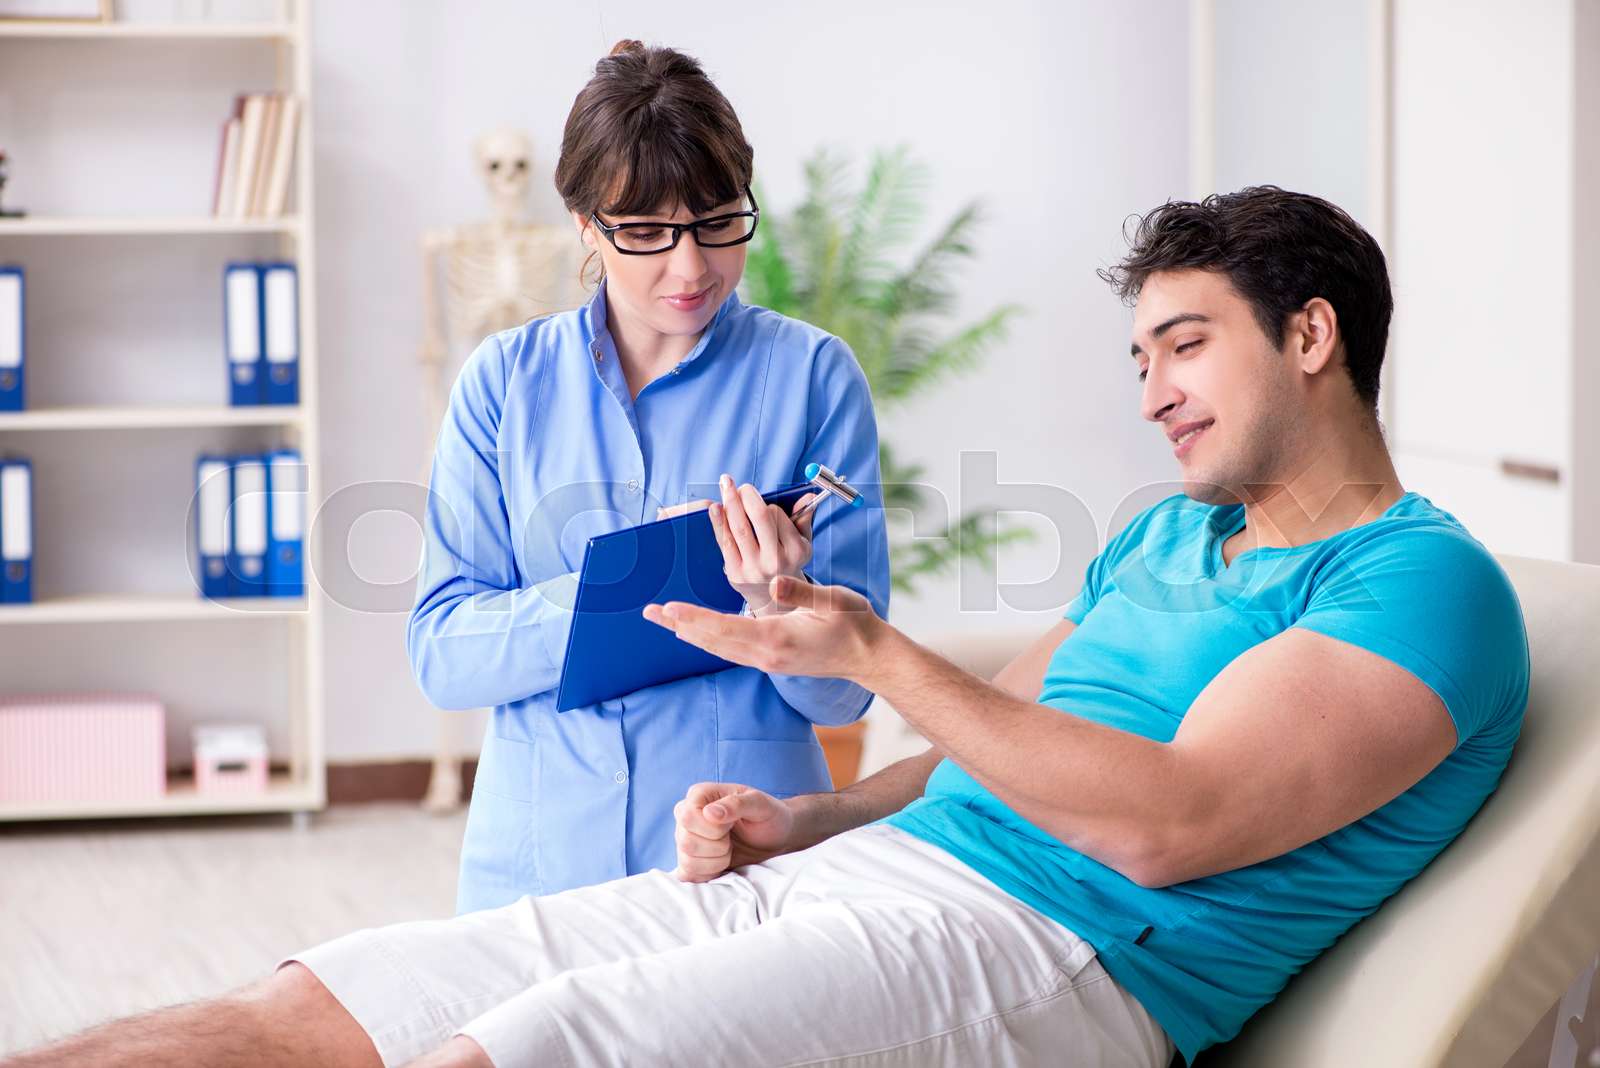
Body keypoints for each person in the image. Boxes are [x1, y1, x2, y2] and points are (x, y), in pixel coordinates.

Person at [5, 187, 1528, 1068]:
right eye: (1140, 356)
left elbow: (1169, 828)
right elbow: (978, 756)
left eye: (1184, 346)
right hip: (889, 872)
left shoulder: (1419, 583)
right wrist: (807, 818)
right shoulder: (1162, 533)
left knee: (522, 1049)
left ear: (1312, 336)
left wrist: (873, 652)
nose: (1150, 393)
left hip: (1059, 957)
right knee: (323, 1004)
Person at [406, 40, 890, 913]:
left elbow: (846, 692)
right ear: (587, 226)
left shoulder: (817, 377)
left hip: (747, 869)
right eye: (645, 234)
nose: (690, 266)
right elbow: (442, 654)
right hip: (537, 873)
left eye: (717, 223)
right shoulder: (502, 382)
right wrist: (623, 586)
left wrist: (777, 603)